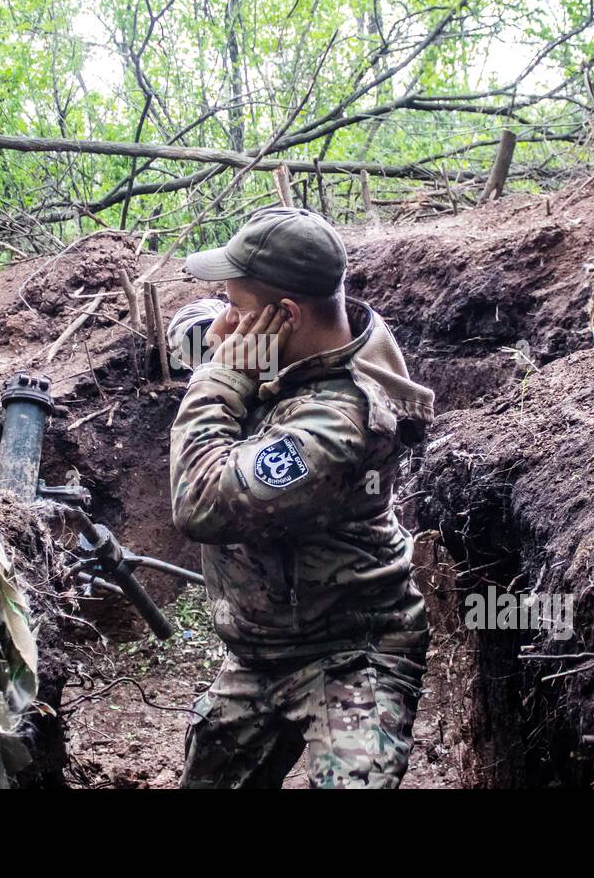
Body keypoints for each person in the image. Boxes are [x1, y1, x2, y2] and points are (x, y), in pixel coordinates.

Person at [167, 206, 436, 788]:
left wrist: (216, 377)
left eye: (235, 309)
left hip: (350, 652)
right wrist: (220, 338)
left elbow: (201, 502)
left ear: (284, 316)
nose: (223, 329)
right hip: (261, 651)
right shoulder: (309, 342)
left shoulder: (341, 422)